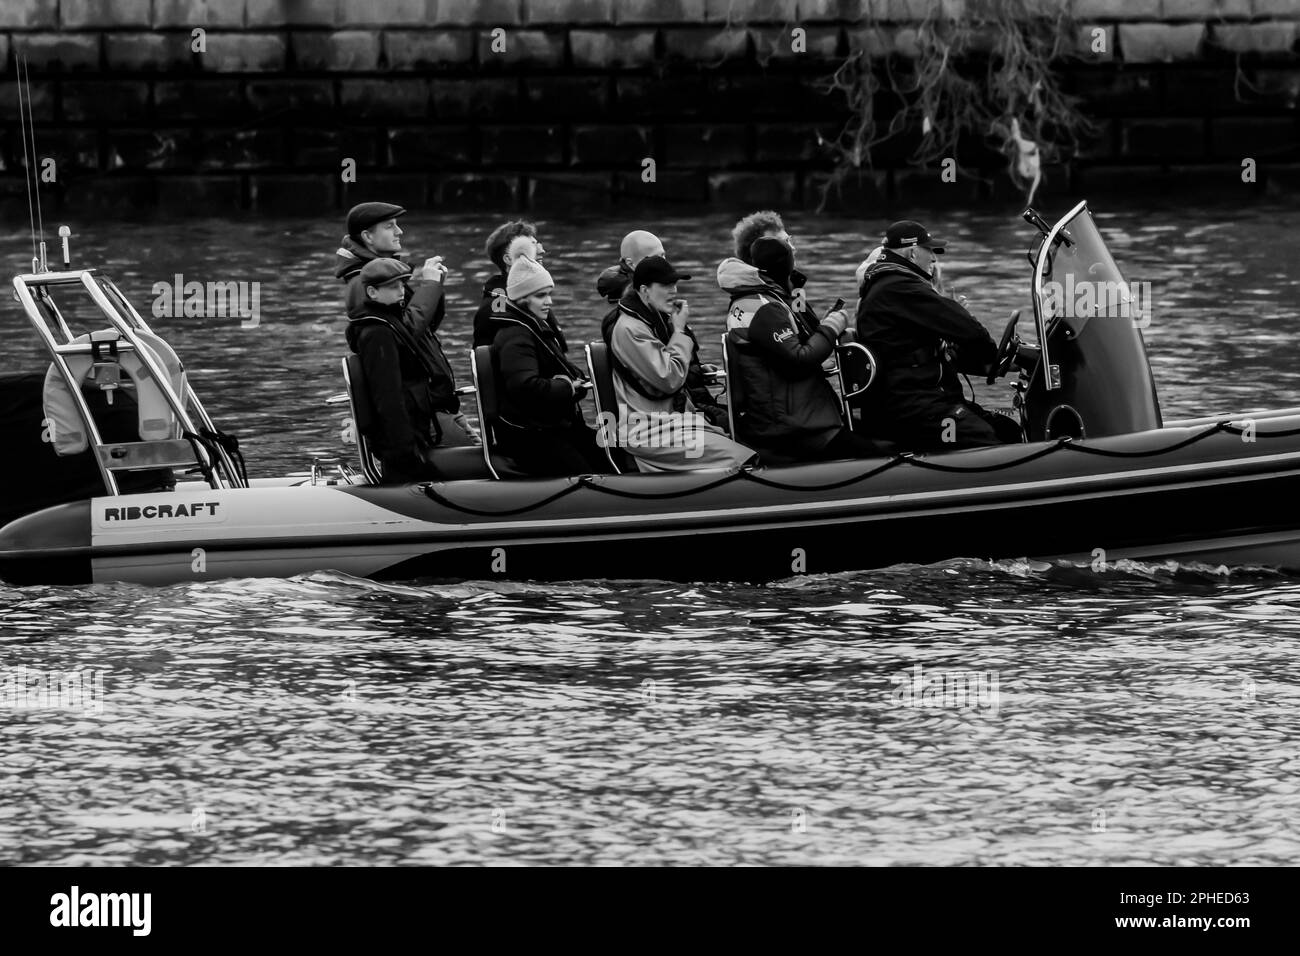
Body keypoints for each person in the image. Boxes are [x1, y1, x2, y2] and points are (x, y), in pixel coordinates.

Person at [855, 220, 1021, 450]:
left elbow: (940, 347)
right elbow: (971, 332)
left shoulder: (892, 286)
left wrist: (1000, 362)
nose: (934, 259)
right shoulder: (900, 288)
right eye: (930, 251)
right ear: (912, 253)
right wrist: (990, 354)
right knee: (987, 440)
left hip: (921, 399)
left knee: (1008, 429)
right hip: (914, 408)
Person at [725, 237, 881, 463]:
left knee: (870, 438)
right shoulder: (764, 305)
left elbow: (796, 341)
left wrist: (818, 319)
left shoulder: (763, 296)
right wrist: (832, 327)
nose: (793, 250)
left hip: (791, 416)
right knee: (879, 451)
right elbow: (800, 357)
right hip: (794, 426)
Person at [334, 201, 477, 446]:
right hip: (423, 415)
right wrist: (429, 286)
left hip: (437, 407)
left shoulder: (386, 274)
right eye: (390, 226)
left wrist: (435, 287)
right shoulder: (364, 281)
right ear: (368, 236)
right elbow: (405, 332)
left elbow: (427, 327)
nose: (399, 232)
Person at [603, 256, 756, 473]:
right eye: (665, 285)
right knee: (739, 457)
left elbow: (664, 365)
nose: (673, 290)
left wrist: (696, 370)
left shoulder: (652, 319)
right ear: (645, 290)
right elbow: (669, 378)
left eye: (674, 284)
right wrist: (680, 331)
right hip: (649, 430)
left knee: (742, 438)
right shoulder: (629, 329)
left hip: (675, 422)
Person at [486, 256, 611, 477]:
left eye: (549, 294)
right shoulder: (517, 335)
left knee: (609, 454)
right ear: (523, 299)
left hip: (553, 425)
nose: (549, 302)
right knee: (588, 473)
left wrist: (572, 380)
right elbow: (524, 386)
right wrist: (567, 387)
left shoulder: (535, 328)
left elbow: (566, 369)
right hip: (532, 435)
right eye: (541, 295)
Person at [345, 258, 463, 483]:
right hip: (403, 447)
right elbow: (387, 395)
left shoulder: (391, 320)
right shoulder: (377, 332)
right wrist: (405, 453)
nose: (401, 291)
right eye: (393, 287)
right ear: (372, 292)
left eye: (402, 285)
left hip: (419, 429)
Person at [597, 230, 727, 429]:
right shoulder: (625, 320)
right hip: (660, 418)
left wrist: (696, 371)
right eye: (657, 257)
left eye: (665, 256)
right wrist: (680, 332)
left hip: (685, 402)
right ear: (632, 265)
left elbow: (664, 357)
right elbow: (658, 375)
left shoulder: (656, 305)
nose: (665, 262)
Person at [472, 220, 544, 348]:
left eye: (537, 243)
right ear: (509, 259)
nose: (542, 251)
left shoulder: (535, 296)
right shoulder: (495, 309)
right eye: (532, 246)